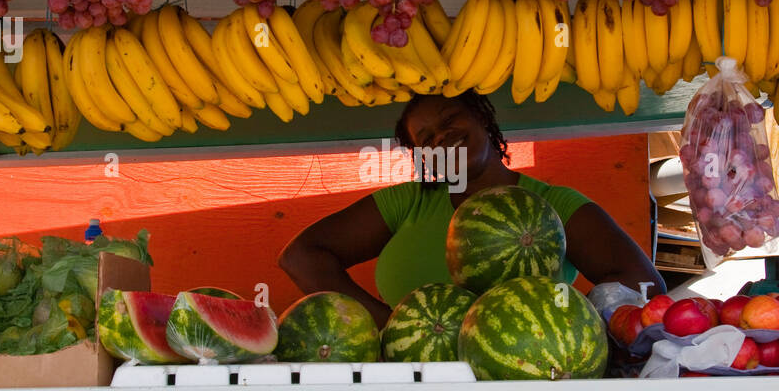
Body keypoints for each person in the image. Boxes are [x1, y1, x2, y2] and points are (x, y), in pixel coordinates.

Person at [279, 92, 666, 326]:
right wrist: (385, 325)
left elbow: (644, 285)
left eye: (450, 121)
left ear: (482, 119)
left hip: (526, 378)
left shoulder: (554, 203)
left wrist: (558, 317)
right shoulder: (405, 202)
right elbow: (301, 256)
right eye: (426, 137)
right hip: (414, 382)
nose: (442, 137)